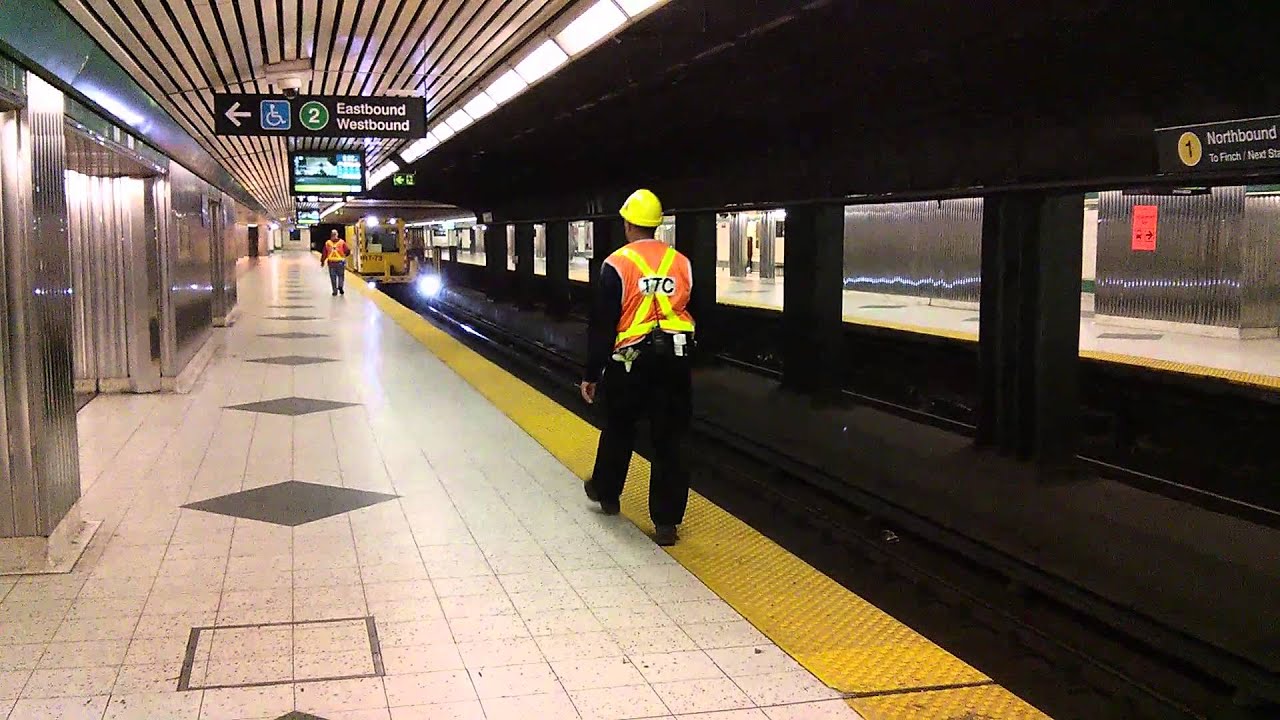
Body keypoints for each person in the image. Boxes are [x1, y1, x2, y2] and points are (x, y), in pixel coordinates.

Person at [580, 189, 696, 546]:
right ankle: (666, 523)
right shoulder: (681, 262)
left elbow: (603, 324)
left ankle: (607, 492)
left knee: (619, 428)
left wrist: (591, 373)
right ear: (656, 225)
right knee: (670, 440)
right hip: (674, 361)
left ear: (629, 224)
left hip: (630, 362)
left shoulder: (616, 264)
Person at [321, 229, 349, 296]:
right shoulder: (342, 242)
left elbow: (324, 253)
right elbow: (347, 251)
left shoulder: (327, 243)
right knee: (341, 276)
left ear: (331, 235)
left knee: (333, 278)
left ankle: (334, 291)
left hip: (331, 263)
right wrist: (345, 256)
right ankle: (340, 286)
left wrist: (322, 261)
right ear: (337, 234)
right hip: (340, 263)